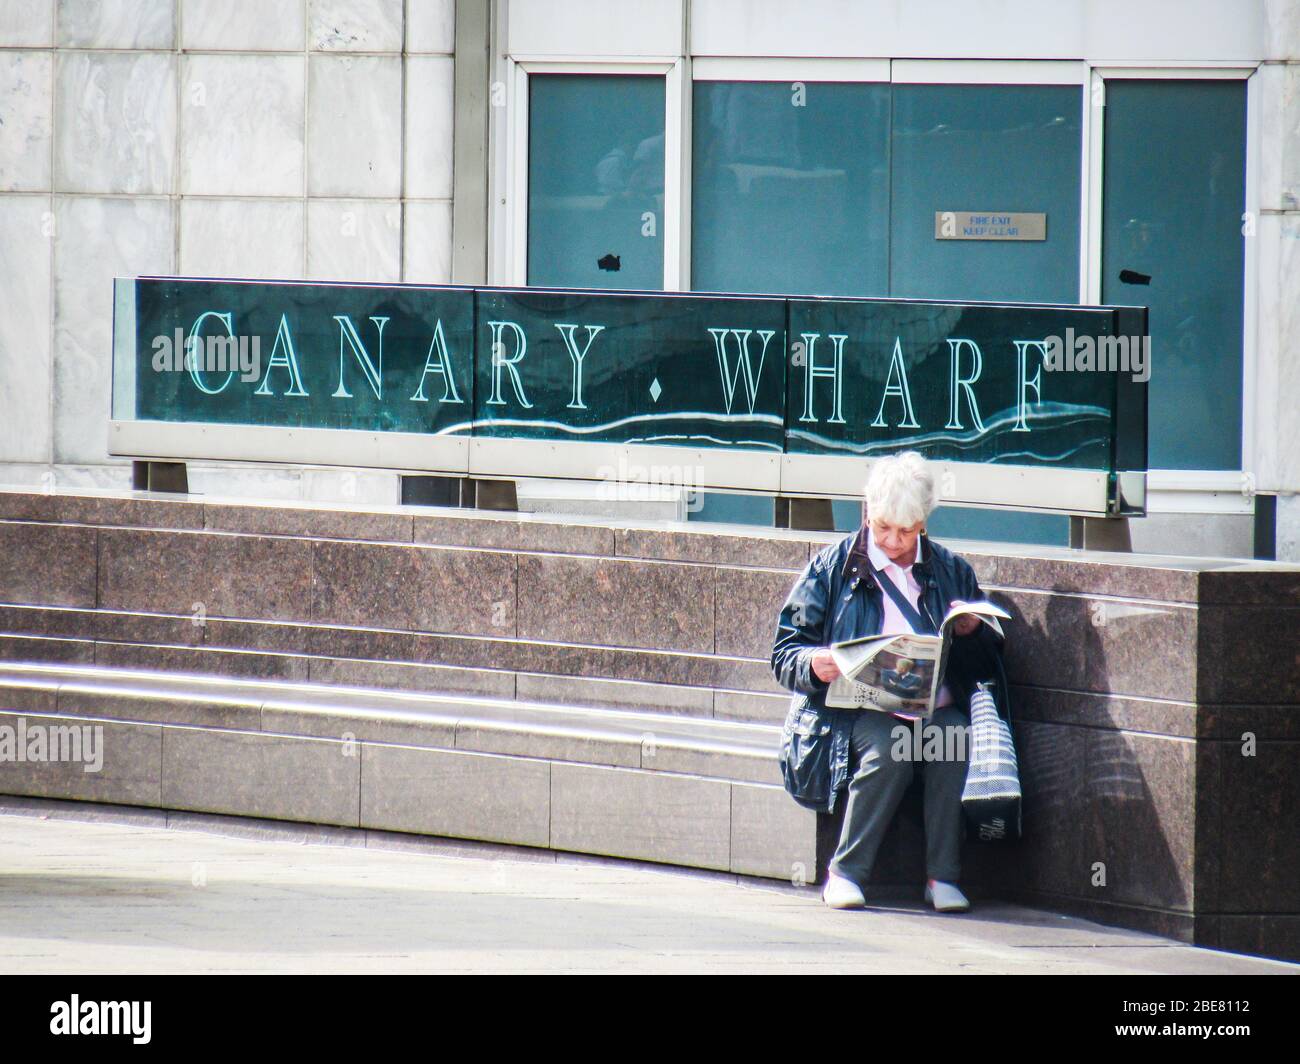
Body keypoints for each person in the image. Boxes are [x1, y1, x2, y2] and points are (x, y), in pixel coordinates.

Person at [771, 450, 1009, 913]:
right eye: (883, 528)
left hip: (934, 705)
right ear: (867, 511)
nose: (894, 541)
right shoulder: (830, 569)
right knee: (893, 749)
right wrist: (816, 663)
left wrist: (973, 634)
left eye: (907, 530)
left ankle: (943, 876)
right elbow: (784, 653)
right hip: (857, 711)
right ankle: (845, 871)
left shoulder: (950, 570)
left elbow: (984, 667)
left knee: (953, 736)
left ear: (923, 523)